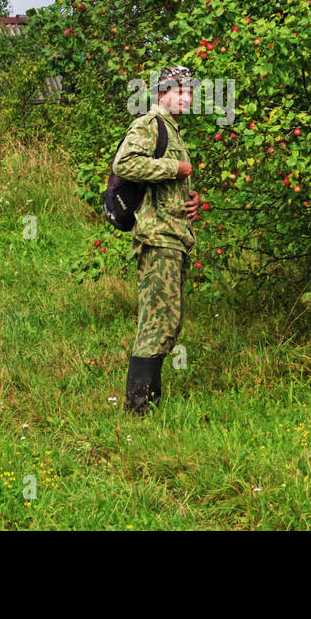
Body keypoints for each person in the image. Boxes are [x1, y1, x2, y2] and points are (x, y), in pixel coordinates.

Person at [110, 65, 203, 415]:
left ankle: (148, 400)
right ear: (163, 92)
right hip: (157, 236)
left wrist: (193, 201)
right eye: (181, 91)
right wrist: (173, 168)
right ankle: (139, 405)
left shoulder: (172, 130)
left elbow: (168, 189)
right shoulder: (151, 124)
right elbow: (126, 164)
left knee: (169, 319)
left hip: (174, 235)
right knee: (156, 320)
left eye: (191, 92)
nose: (188, 98)